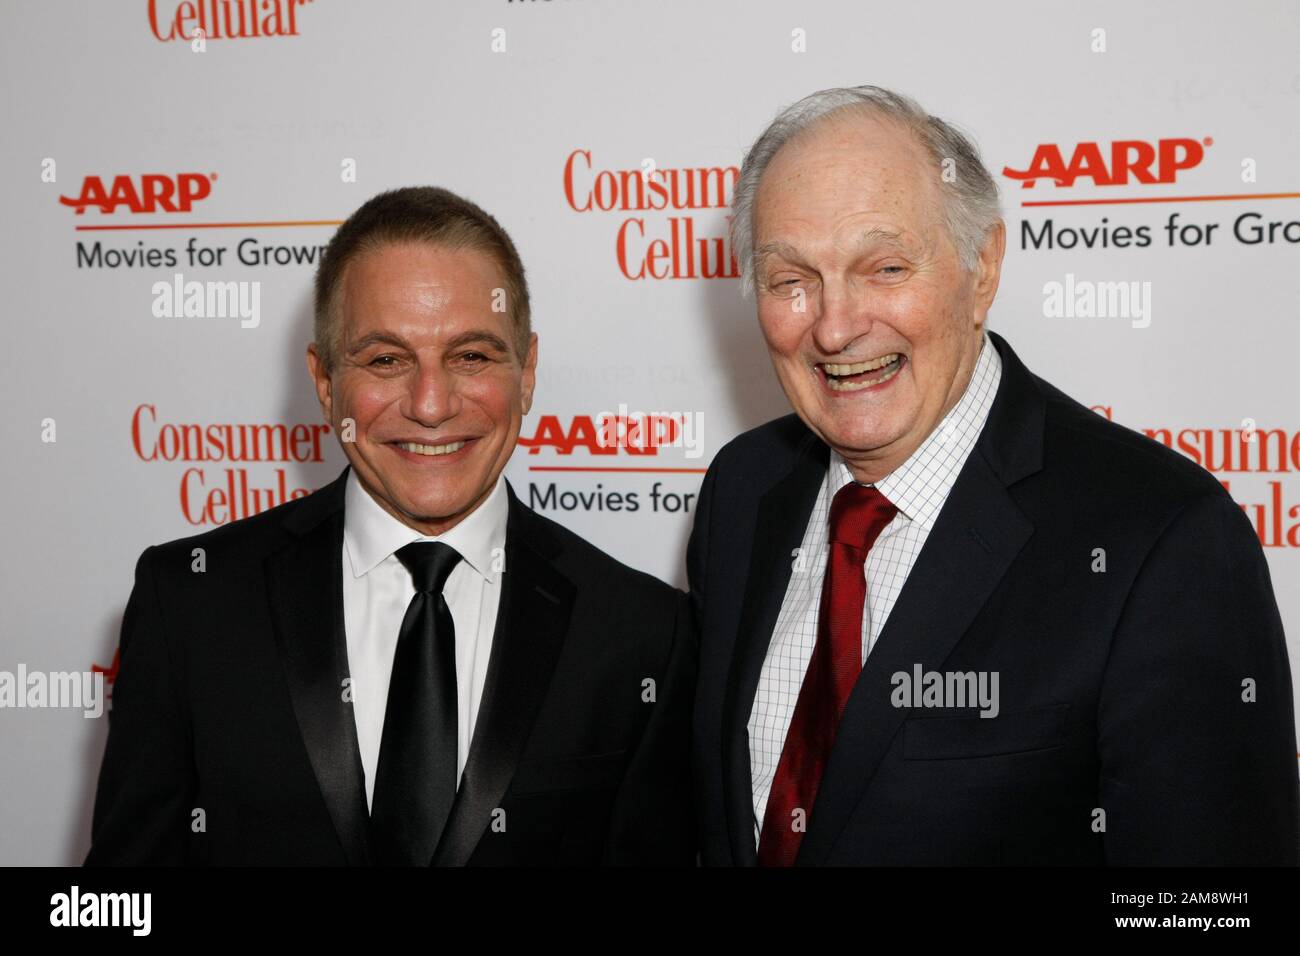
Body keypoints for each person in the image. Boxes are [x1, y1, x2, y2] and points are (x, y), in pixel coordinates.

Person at [688, 85, 1299, 865]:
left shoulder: (1163, 541)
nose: (835, 326)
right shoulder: (743, 492)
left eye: (885, 267)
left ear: (982, 267)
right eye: (790, 280)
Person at [87, 186, 695, 865]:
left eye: (471, 356)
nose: (431, 406)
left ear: (525, 372)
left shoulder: (642, 633)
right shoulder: (190, 605)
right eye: (385, 359)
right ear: (324, 380)